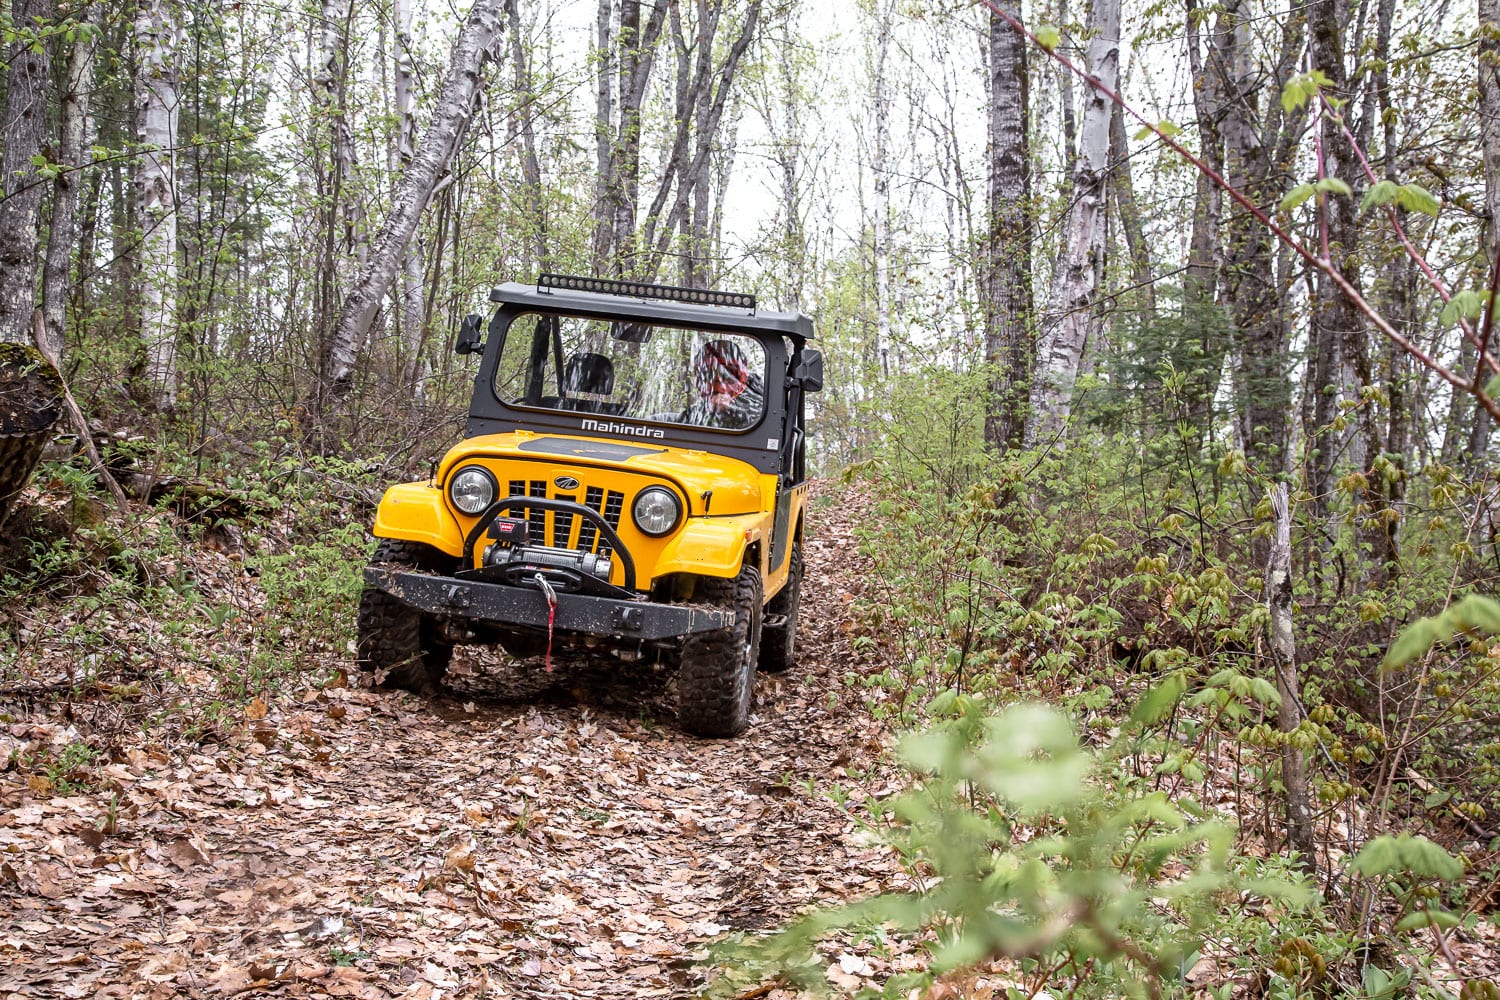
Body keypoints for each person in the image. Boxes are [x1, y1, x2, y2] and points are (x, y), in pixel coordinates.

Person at [685, 338, 762, 429]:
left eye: (728, 377)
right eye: (707, 375)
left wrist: (729, 409)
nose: (720, 386)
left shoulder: (760, 408)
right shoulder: (697, 413)